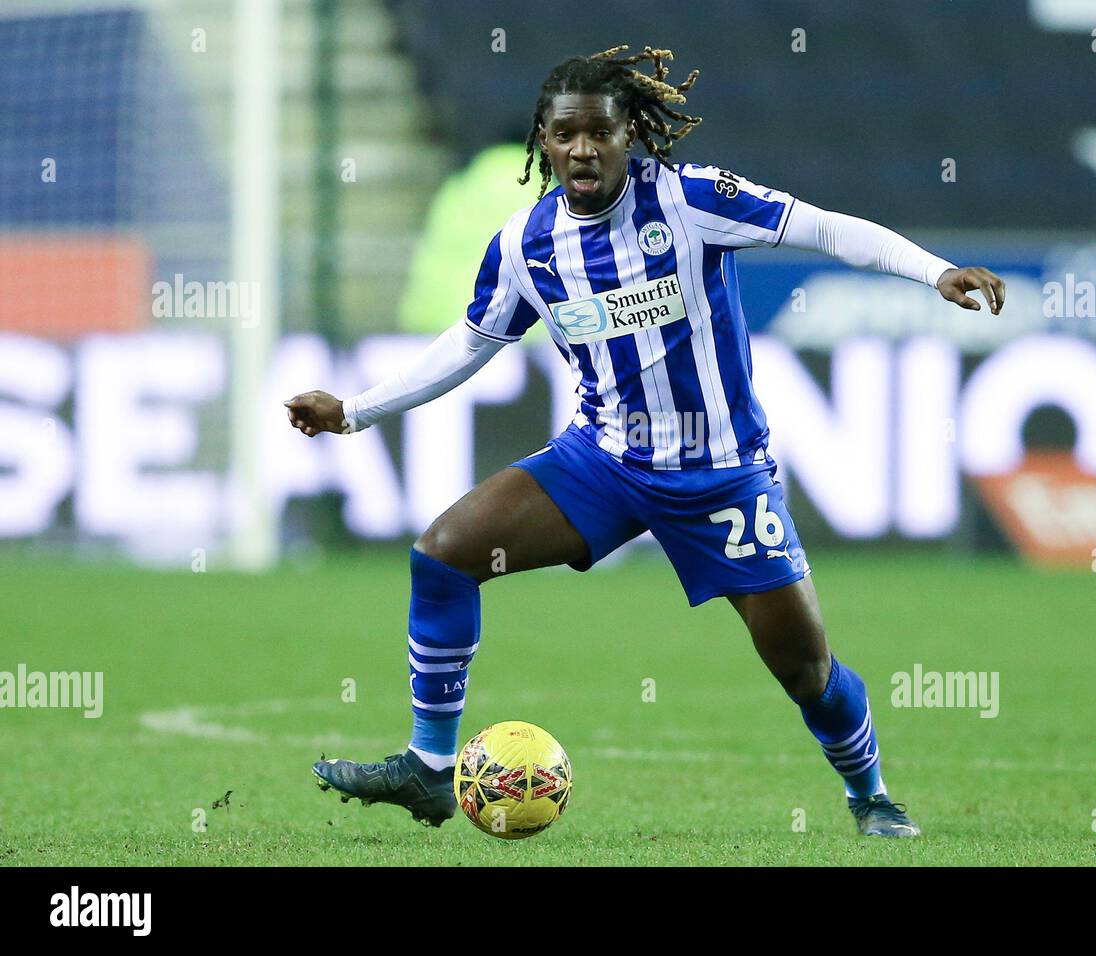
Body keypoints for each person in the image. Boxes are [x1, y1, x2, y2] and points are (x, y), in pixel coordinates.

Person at [285, 44, 1005, 837]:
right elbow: (467, 343)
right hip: (605, 462)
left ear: (632, 135)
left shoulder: (695, 202)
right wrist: (354, 411)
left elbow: (825, 230)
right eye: (565, 134)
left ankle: (868, 792)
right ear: (543, 141)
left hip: (721, 475)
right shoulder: (528, 246)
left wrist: (933, 271)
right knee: (445, 552)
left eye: (600, 132)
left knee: (805, 669)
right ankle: (428, 769)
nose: (583, 149)